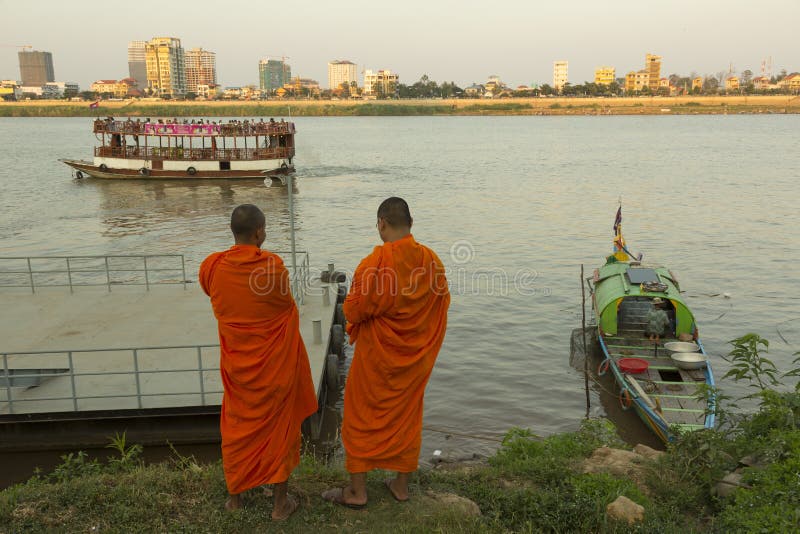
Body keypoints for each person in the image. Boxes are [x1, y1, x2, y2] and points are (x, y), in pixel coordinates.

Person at [322, 197, 450, 508]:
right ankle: (401, 486)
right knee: (407, 418)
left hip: (376, 359)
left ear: (381, 223)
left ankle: (357, 491)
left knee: (359, 417)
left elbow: (352, 310)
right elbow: (441, 303)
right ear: (410, 224)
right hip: (413, 360)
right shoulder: (431, 261)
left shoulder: (374, 265)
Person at [199, 204, 317, 521]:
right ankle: (280, 505)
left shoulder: (212, 266)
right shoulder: (272, 267)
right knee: (280, 432)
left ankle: (235, 499)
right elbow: (284, 304)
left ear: (233, 231)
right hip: (273, 367)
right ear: (260, 231)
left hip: (238, 369)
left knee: (238, 429)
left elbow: (209, 289)